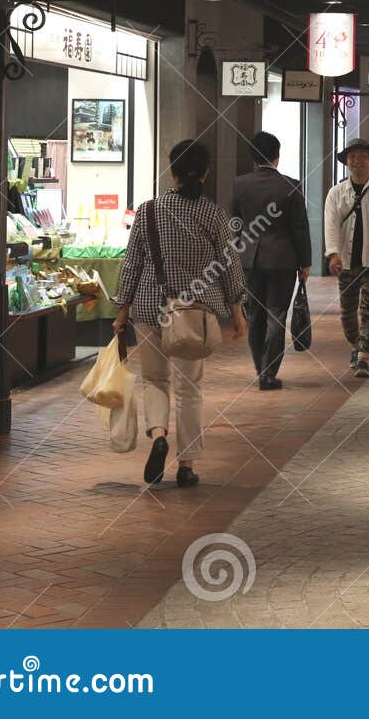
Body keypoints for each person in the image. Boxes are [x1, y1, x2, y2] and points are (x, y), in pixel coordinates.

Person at [116, 139, 248, 488]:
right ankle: (186, 463)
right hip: (194, 312)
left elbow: (132, 264)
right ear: (206, 173)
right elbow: (229, 264)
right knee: (189, 388)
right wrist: (238, 309)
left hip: (148, 308)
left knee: (154, 380)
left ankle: (159, 434)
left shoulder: (147, 211)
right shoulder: (214, 214)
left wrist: (121, 308)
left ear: (171, 171)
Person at [231, 130, 312, 391]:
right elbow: (299, 227)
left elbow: (235, 224)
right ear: (277, 155)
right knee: (277, 314)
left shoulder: (239, 184)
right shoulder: (292, 185)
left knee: (254, 314)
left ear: (253, 157)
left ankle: (260, 368)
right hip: (283, 259)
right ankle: (269, 371)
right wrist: (305, 262)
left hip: (250, 260)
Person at [323, 138, 369, 379]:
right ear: (346, 161)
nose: (357, 161)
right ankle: (356, 346)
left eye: (362, 156)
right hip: (345, 262)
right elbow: (331, 225)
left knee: (368, 309)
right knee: (347, 312)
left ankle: (364, 356)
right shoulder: (336, 193)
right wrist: (333, 253)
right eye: (352, 157)